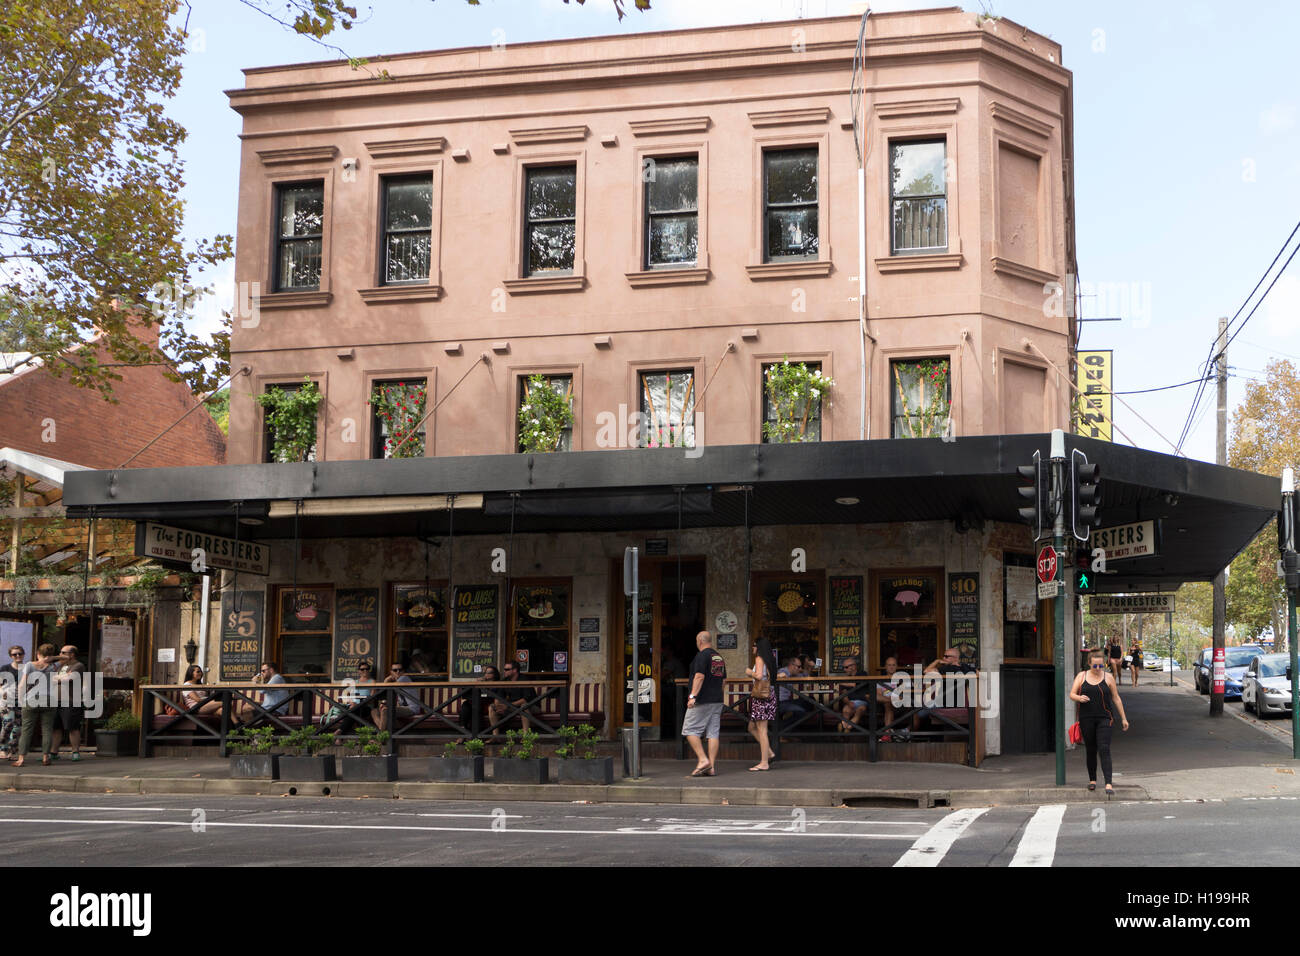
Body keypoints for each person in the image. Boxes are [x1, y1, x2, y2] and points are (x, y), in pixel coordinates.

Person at [1069, 651, 1129, 796]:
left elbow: (1116, 698)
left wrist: (1124, 718)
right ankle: (1092, 780)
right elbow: (1071, 694)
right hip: (1086, 718)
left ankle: (1108, 783)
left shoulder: (1108, 677)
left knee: (1104, 748)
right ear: (1089, 663)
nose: (1097, 668)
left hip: (1105, 718)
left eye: (1100, 665)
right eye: (1095, 665)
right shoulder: (1081, 676)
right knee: (1091, 749)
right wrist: (1078, 697)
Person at [682, 630, 725, 777]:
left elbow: (699, 676)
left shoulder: (702, 655)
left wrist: (693, 696)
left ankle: (702, 760)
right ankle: (711, 767)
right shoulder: (718, 657)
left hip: (703, 700)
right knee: (713, 733)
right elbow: (723, 680)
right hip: (717, 700)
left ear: (700, 641)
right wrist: (717, 694)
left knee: (689, 730)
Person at [14, 643, 58, 767]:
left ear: (38, 654)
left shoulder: (29, 665)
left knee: (26, 729)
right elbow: (66, 658)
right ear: (50, 655)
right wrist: (52, 658)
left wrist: (21, 699)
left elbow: (22, 684)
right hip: (49, 699)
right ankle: (45, 757)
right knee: (47, 729)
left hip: (31, 698)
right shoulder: (54, 665)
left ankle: (21, 758)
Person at [49, 644, 86, 761]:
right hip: (56, 700)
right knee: (56, 727)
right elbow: (49, 678)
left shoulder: (78, 665)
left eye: (63, 652)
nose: (60, 654)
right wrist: (60, 678)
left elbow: (68, 679)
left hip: (70, 700)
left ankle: (75, 752)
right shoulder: (60, 666)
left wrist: (59, 678)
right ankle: (53, 752)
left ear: (72, 654)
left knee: (72, 727)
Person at [745, 637, 776, 771]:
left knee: (762, 730)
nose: (752, 647)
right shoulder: (770, 660)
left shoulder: (759, 659)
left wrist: (748, 672)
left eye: (754, 645)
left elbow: (758, 676)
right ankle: (769, 752)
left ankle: (764, 762)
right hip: (769, 696)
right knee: (751, 727)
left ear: (759, 647)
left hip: (761, 697)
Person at [234, 661, 290, 725]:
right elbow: (273, 699)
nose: (262, 673)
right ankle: (251, 728)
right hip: (269, 709)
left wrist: (257, 681)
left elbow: (263, 691)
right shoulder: (273, 680)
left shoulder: (277, 678)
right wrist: (258, 703)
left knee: (247, 710)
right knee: (246, 707)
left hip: (275, 711)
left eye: (263, 671)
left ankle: (246, 729)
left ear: (271, 670)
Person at [487, 661, 536, 734]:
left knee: (524, 706)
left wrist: (507, 706)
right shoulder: (505, 680)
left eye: (507, 669)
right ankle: (495, 736)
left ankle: (526, 736)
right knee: (492, 707)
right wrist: (498, 706)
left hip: (531, 706)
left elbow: (525, 700)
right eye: (504, 669)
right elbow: (498, 697)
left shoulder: (524, 680)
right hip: (512, 707)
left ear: (515, 670)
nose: (504, 671)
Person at [373, 661, 426, 729]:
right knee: (374, 711)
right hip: (402, 708)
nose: (398, 672)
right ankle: (385, 731)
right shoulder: (396, 681)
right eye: (395, 670)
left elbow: (388, 688)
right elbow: (386, 693)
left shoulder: (404, 678)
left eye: (400, 670)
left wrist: (386, 680)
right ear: (391, 672)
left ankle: (381, 737)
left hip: (411, 708)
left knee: (385, 711)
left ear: (403, 671)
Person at [0, 645, 26, 759]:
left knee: (18, 727)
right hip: (7, 701)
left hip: (22, 701)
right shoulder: (5, 668)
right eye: (14, 654)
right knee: (7, 724)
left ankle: (12, 751)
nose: (18, 656)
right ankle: (3, 749)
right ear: (11, 656)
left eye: (20, 653)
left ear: (23, 654)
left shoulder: (27, 668)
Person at [835, 658, 870, 733]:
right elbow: (844, 694)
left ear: (853, 666)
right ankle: (846, 731)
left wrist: (839, 682)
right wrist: (848, 702)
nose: (844, 670)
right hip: (851, 702)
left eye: (846, 667)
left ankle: (846, 729)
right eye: (844, 667)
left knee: (859, 710)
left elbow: (854, 684)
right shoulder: (846, 680)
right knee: (846, 710)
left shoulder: (862, 674)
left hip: (863, 702)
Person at [776, 655, 809, 722]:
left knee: (809, 701)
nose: (800, 669)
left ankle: (788, 715)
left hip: (787, 701)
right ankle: (783, 729)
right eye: (799, 667)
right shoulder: (783, 671)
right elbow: (776, 676)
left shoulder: (792, 674)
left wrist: (804, 669)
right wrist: (780, 676)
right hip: (778, 703)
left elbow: (805, 675)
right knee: (801, 712)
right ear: (792, 665)